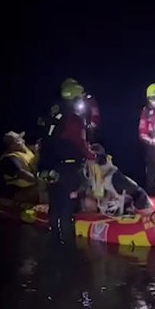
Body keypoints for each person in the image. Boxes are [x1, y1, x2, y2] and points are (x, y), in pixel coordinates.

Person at [38, 81, 97, 244]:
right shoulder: (73, 118)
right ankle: (68, 250)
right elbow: (79, 142)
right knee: (67, 209)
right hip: (68, 168)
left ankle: (53, 244)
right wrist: (92, 157)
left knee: (54, 206)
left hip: (49, 167)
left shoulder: (52, 114)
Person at [81, 144, 153, 216]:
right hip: (123, 204)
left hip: (139, 204)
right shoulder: (98, 174)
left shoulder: (113, 176)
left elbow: (122, 196)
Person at [38, 78, 101, 144]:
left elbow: (94, 116)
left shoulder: (85, 107)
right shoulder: (59, 109)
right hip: (58, 143)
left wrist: (91, 126)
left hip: (73, 142)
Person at [0, 131, 42, 202]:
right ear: (12, 145)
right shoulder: (9, 159)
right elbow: (22, 174)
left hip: (33, 186)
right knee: (45, 191)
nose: (23, 140)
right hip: (20, 191)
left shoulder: (27, 151)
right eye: (19, 140)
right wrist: (40, 182)